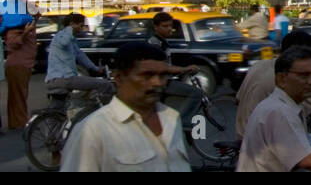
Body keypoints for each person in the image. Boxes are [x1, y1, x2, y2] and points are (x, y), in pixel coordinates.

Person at [60, 42, 192, 172]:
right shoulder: (93, 130)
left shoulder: (172, 118)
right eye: (147, 75)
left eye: (162, 75)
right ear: (118, 77)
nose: (157, 83)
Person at [235, 56, 311, 139]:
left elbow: (238, 99)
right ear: (282, 78)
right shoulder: (282, 107)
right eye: (304, 75)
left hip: (244, 134)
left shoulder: (258, 66)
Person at [147, 13, 204, 128]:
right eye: (165, 26)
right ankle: (181, 122)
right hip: (160, 83)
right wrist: (184, 69)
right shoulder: (155, 43)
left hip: (164, 80)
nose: (169, 29)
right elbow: (163, 67)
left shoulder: (163, 41)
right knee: (197, 93)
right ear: (156, 27)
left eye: (170, 26)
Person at [45, 13, 114, 96]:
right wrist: (70, 29)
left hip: (62, 79)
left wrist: (95, 68)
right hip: (63, 78)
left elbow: (80, 55)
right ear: (72, 24)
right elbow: (63, 43)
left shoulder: (72, 40)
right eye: (81, 26)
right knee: (104, 84)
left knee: (60, 107)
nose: (81, 29)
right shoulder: (61, 35)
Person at [3, 15, 38, 131]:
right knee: (18, 96)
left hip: (24, 65)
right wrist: (25, 33)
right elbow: (13, 44)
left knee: (21, 95)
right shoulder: (14, 32)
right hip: (17, 66)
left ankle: (18, 121)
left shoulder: (29, 29)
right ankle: (19, 122)